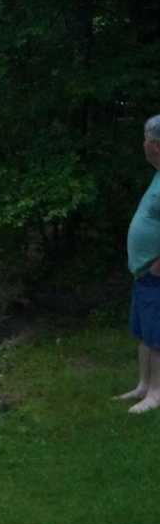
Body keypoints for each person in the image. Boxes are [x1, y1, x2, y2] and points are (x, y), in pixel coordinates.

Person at [120, 114, 160, 413]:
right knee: (144, 334)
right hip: (144, 274)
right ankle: (144, 386)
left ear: (156, 146)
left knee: (157, 335)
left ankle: (157, 394)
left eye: (146, 139)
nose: (143, 145)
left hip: (156, 274)